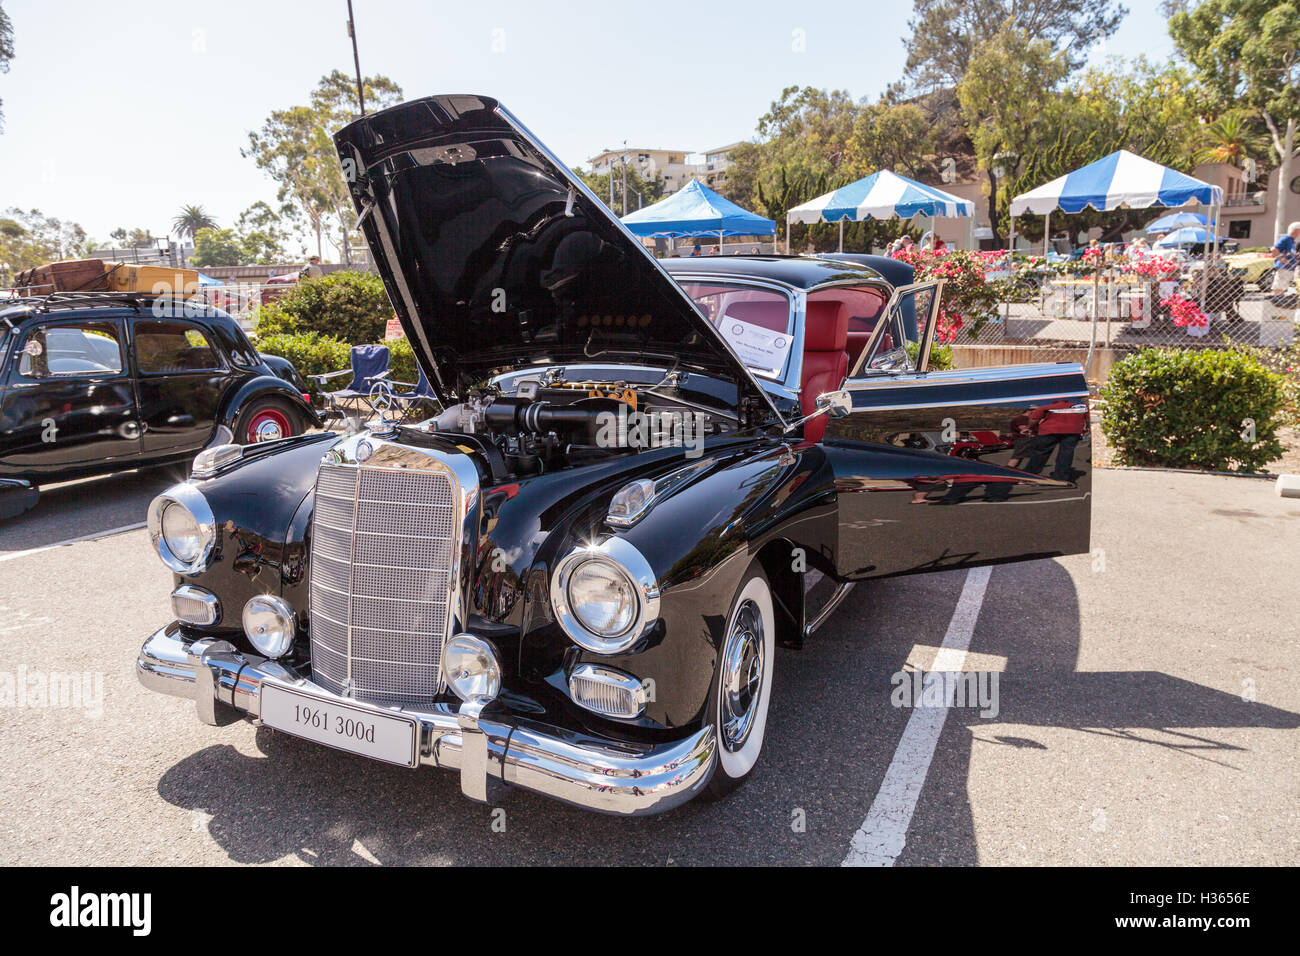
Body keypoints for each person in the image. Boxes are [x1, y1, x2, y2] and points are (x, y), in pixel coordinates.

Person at [1271, 222, 1300, 301]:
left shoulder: (1292, 241)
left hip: (1289, 268)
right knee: (1279, 285)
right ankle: (1276, 300)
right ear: (1296, 230)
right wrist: (1282, 259)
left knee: (1283, 286)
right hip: (1284, 267)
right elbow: (1274, 249)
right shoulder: (1286, 238)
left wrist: (1296, 256)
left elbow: (1290, 253)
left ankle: (1280, 299)